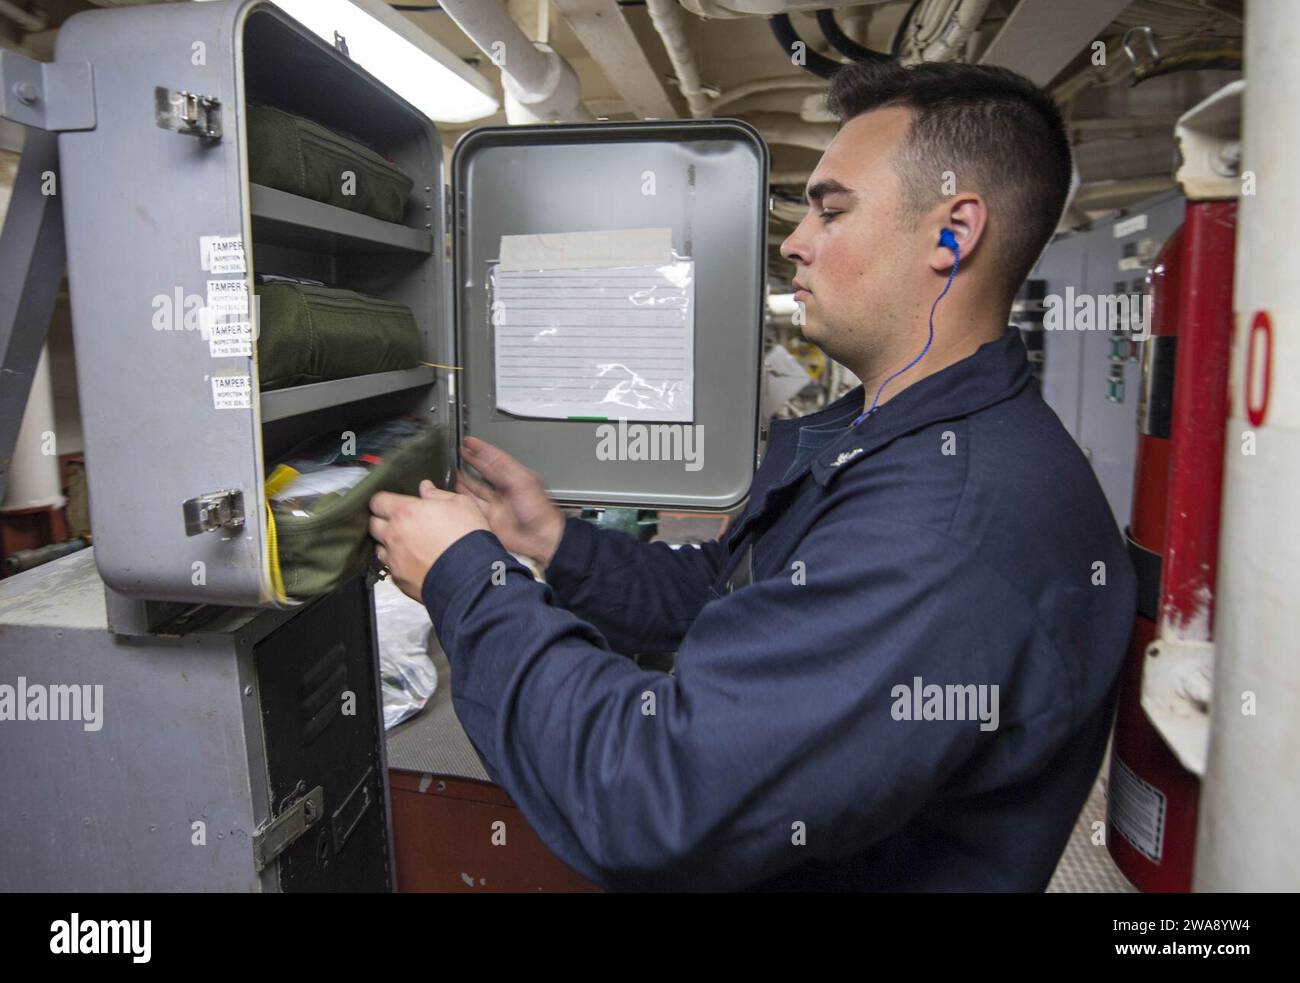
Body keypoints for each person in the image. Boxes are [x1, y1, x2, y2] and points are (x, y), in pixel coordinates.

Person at [368, 58, 1136, 891]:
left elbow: (653, 796)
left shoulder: (948, 522)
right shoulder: (894, 442)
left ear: (954, 233)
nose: (795, 242)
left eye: (831, 211)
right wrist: (551, 541)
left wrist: (466, 580)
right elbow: (729, 593)